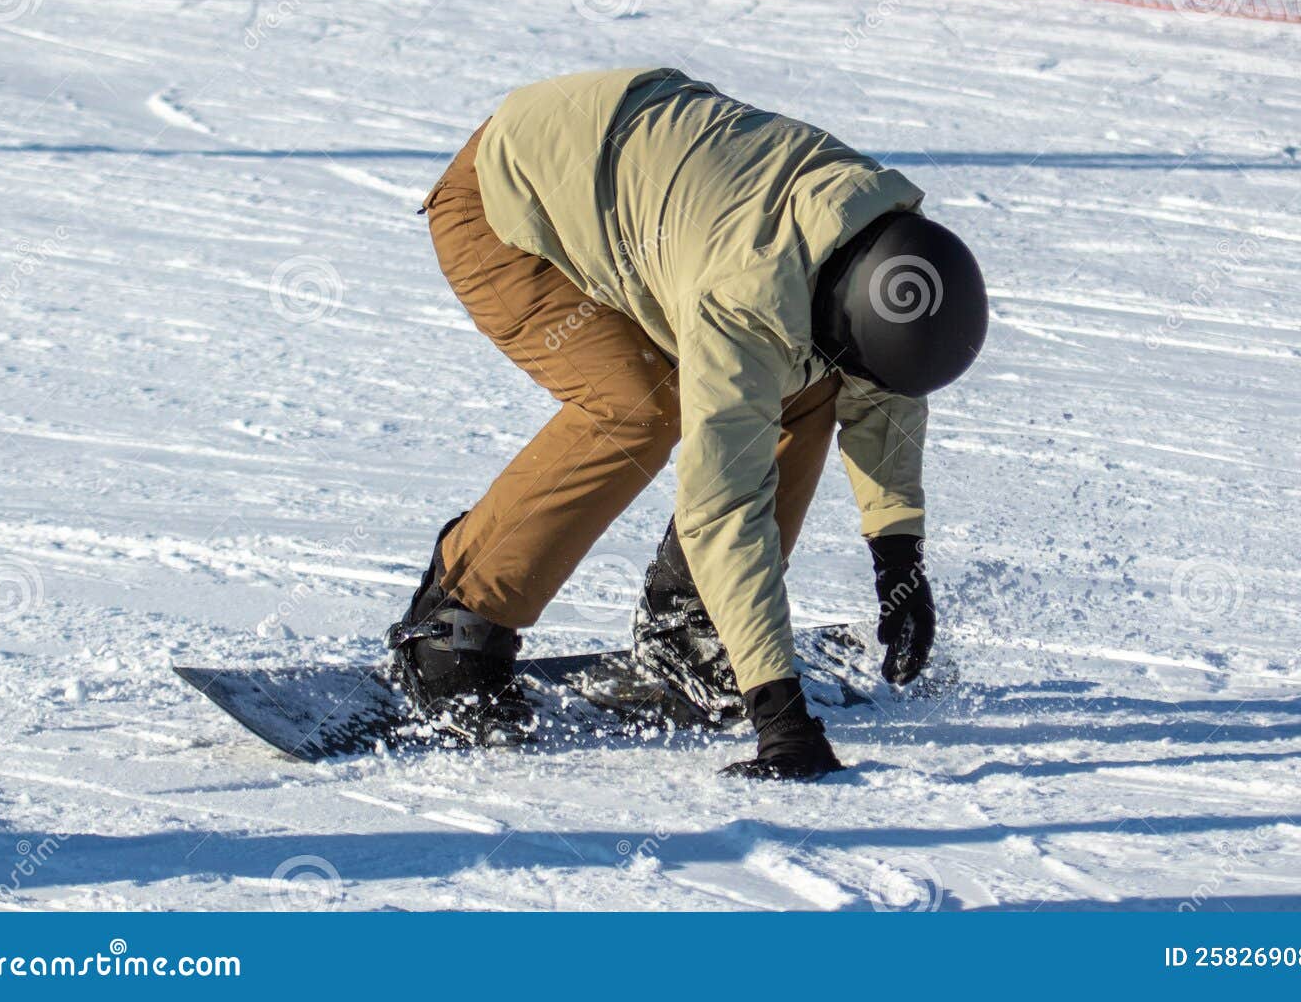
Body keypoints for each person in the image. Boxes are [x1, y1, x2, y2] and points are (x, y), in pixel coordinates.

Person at [387, 68, 986, 780]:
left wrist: (899, 555)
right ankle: (458, 622)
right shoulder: (743, 295)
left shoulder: (873, 232)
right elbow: (722, 503)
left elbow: (880, 380)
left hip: (629, 171)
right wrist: (778, 709)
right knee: (640, 405)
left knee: (814, 380)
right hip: (505, 201)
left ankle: (695, 625)